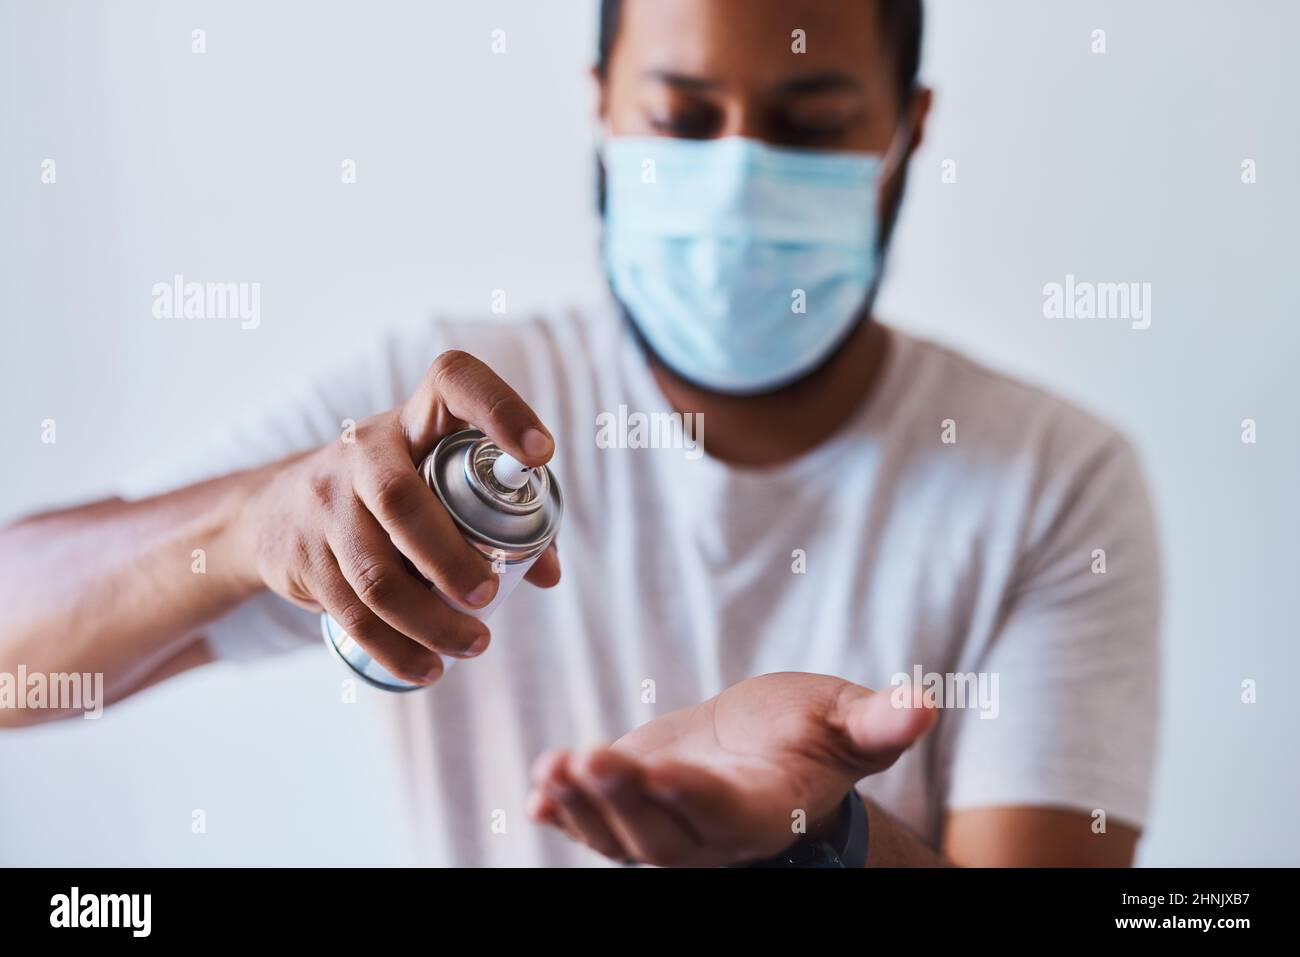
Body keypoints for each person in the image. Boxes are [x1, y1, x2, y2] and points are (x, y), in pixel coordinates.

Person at [0, 0, 1159, 867]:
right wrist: (249, 526)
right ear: (602, 102)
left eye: (808, 128)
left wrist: (823, 838)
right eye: (681, 119)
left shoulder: (1051, 483)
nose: (733, 184)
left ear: (907, 132)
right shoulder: (429, 418)